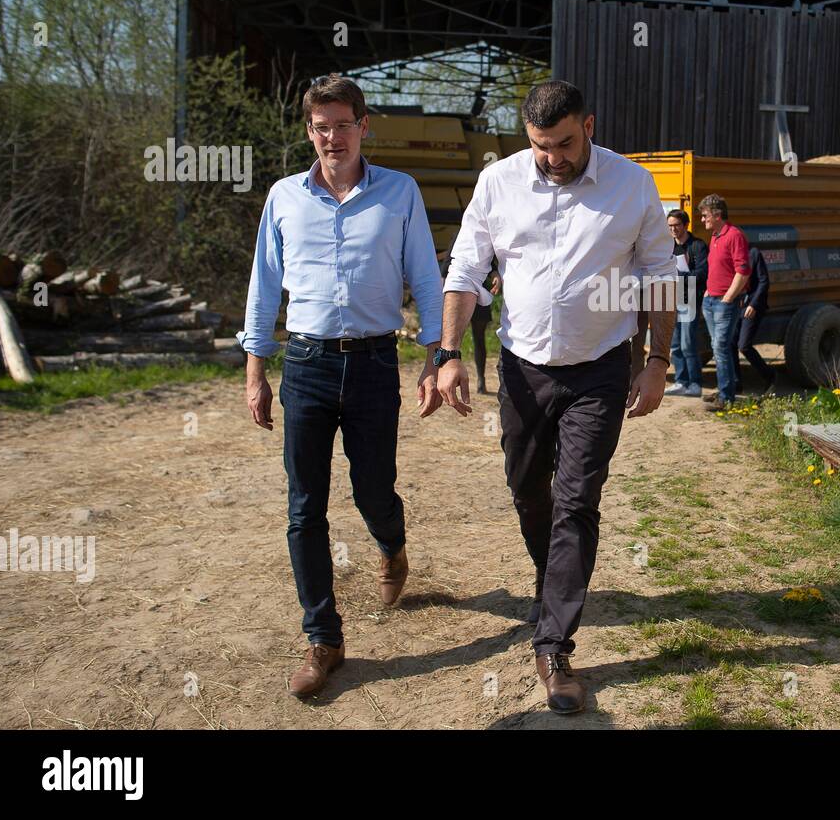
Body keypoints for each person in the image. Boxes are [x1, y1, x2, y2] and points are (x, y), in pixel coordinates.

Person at [435, 80, 676, 715]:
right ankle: (556, 581)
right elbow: (465, 270)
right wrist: (450, 353)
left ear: (588, 126)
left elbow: (657, 274)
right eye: (541, 146)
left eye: (565, 143)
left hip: (600, 369)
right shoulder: (499, 182)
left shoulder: (632, 185)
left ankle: (554, 644)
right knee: (526, 489)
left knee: (577, 499)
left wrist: (655, 362)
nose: (553, 158)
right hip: (522, 368)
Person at [238, 74, 444, 698]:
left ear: (363, 126)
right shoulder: (283, 197)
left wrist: (438, 358)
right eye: (321, 127)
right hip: (305, 365)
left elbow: (426, 279)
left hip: (376, 363)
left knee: (373, 488)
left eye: (343, 125)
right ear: (309, 130)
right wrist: (256, 369)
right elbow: (264, 286)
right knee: (304, 508)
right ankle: (324, 639)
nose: (332, 137)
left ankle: (392, 544)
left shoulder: (399, 193)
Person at [697, 193, 750, 411]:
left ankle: (726, 398)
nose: (702, 220)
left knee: (720, 347)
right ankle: (725, 390)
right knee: (719, 348)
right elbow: (718, 268)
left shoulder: (734, 235)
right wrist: (709, 291)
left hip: (724, 303)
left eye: (705, 215)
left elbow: (743, 270)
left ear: (717, 214)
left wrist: (728, 296)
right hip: (711, 301)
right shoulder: (717, 236)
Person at [437, 249, 500, 393]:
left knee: (479, 339)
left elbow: (488, 260)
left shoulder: (483, 233)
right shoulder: (460, 236)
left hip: (480, 296)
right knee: (451, 340)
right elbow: (447, 264)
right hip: (459, 295)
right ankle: (443, 374)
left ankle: (481, 380)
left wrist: (494, 274)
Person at [664, 208, 708, 397]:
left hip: (689, 300)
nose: (673, 229)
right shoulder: (667, 246)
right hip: (671, 300)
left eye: (676, 225)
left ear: (686, 225)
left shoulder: (697, 246)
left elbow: (702, 274)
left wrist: (680, 276)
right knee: (674, 345)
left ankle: (695, 383)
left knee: (688, 344)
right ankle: (681, 381)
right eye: (670, 226)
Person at [737, 245, 775, 392]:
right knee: (729, 343)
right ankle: (735, 384)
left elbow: (763, 281)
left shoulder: (753, 253)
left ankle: (770, 376)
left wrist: (753, 304)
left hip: (751, 307)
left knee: (744, 345)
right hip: (735, 306)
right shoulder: (730, 254)